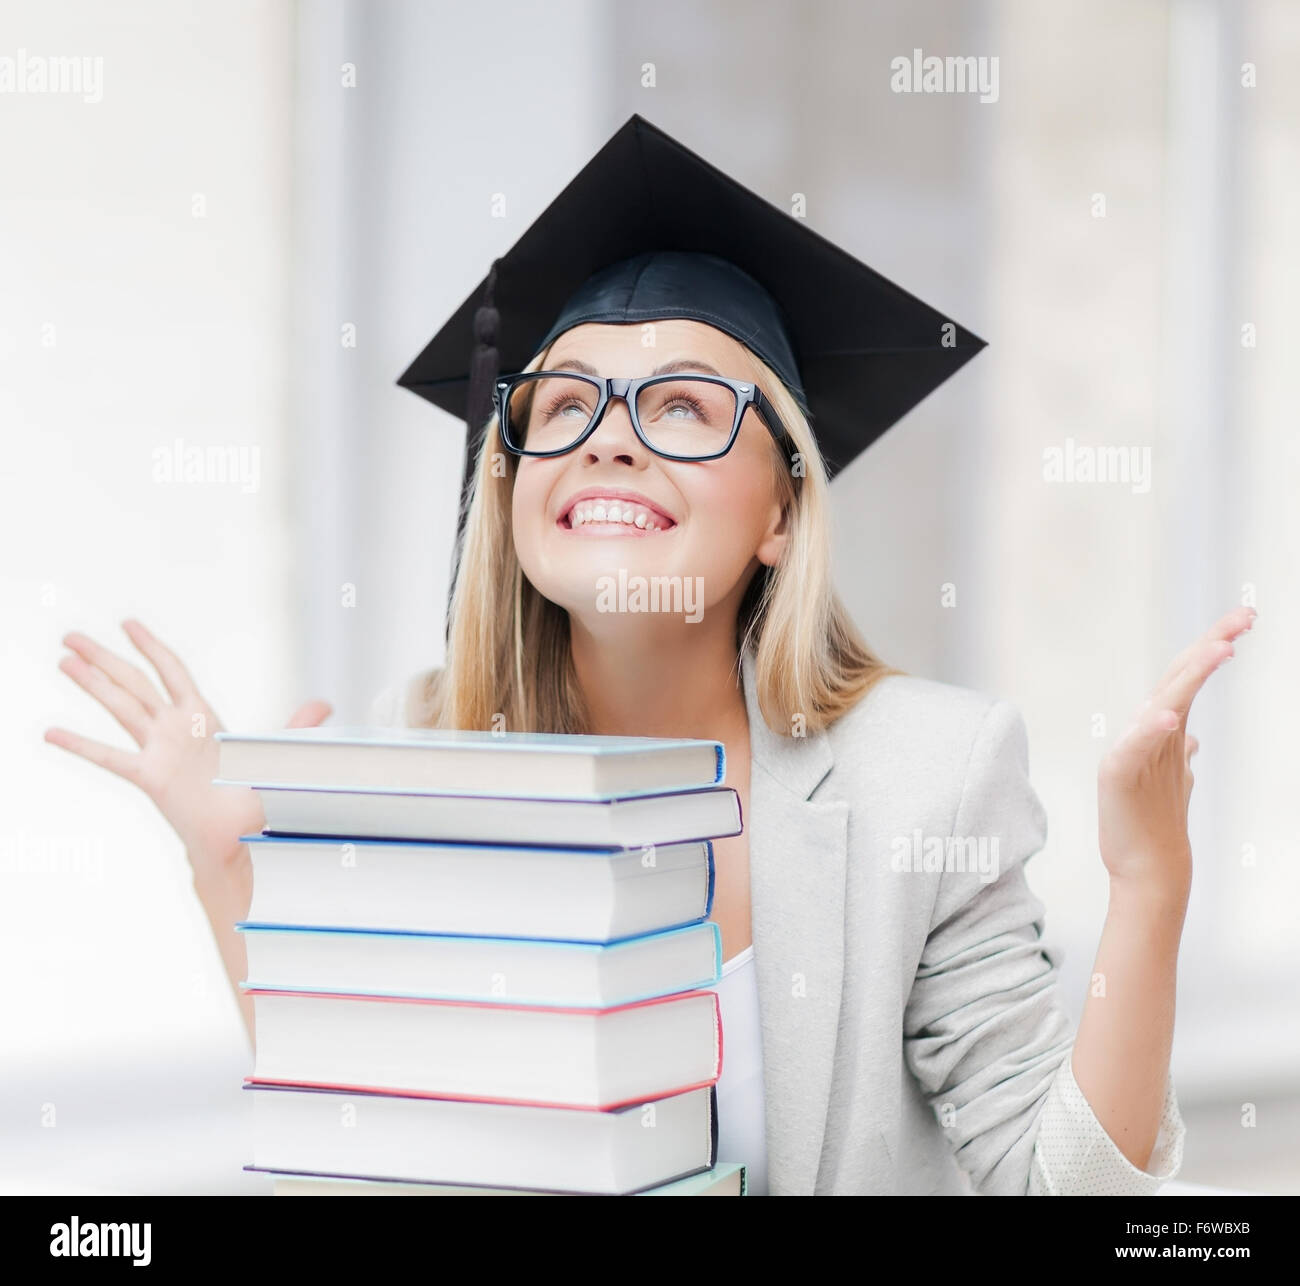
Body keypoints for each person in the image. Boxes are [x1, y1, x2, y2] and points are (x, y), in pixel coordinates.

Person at [45, 115, 1255, 1195]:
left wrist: (1150, 887)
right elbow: (394, 1143)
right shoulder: (433, 756)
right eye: (564, 404)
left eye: (681, 406)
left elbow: (1064, 1186)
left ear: (782, 512)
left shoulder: (925, 775)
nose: (608, 442)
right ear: (510, 482)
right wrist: (227, 866)